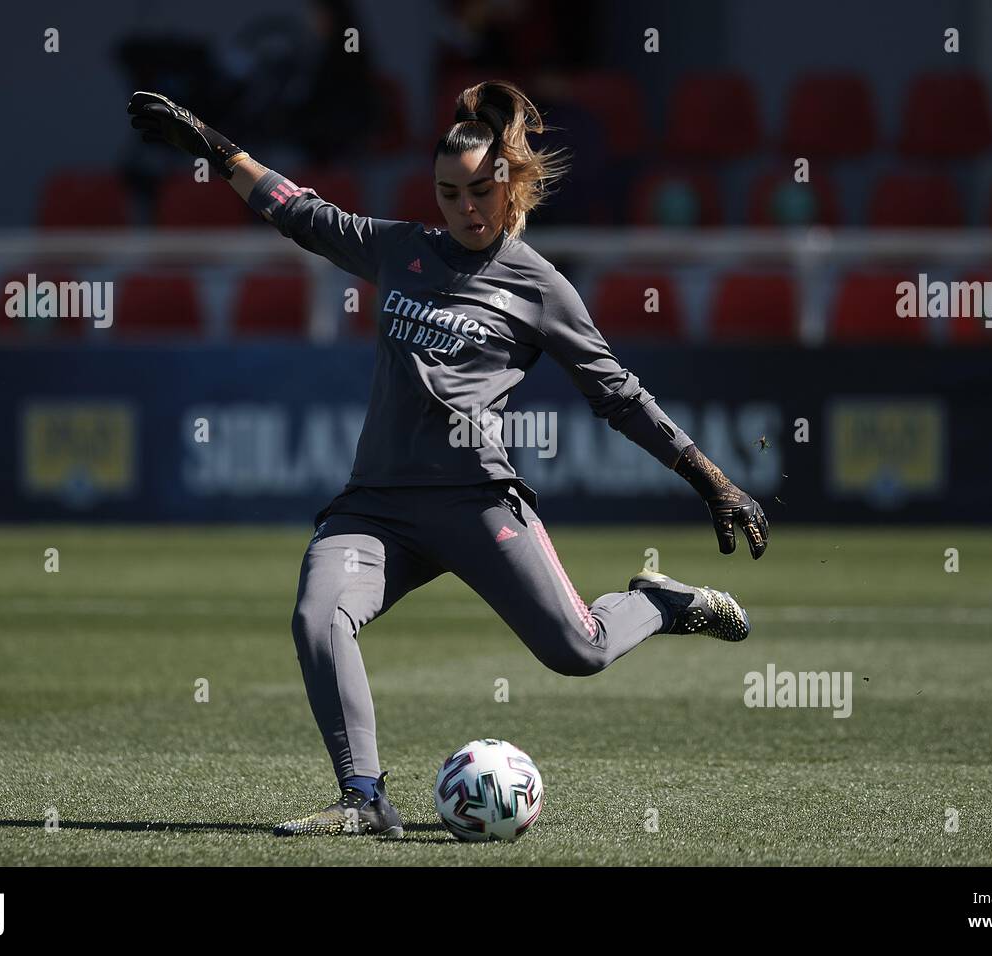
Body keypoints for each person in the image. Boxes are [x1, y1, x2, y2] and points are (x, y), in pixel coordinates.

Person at [126, 80, 768, 839]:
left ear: (511, 187)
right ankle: (363, 799)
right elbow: (299, 212)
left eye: (480, 190)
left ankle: (657, 602)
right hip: (378, 506)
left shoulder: (539, 286)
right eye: (448, 192)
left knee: (580, 654)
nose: (465, 206)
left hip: (476, 501)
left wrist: (713, 480)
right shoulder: (402, 250)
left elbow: (618, 396)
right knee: (317, 618)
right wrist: (212, 144)